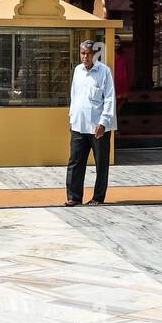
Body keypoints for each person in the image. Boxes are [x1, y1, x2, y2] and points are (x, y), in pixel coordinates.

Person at [65, 40, 117, 207]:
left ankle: (98, 197)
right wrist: (71, 117)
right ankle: (74, 197)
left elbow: (109, 99)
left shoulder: (104, 72)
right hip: (79, 125)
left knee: (101, 163)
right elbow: (74, 96)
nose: (85, 57)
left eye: (88, 53)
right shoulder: (78, 71)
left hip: (98, 128)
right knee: (75, 162)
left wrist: (103, 122)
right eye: (82, 53)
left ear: (95, 55)